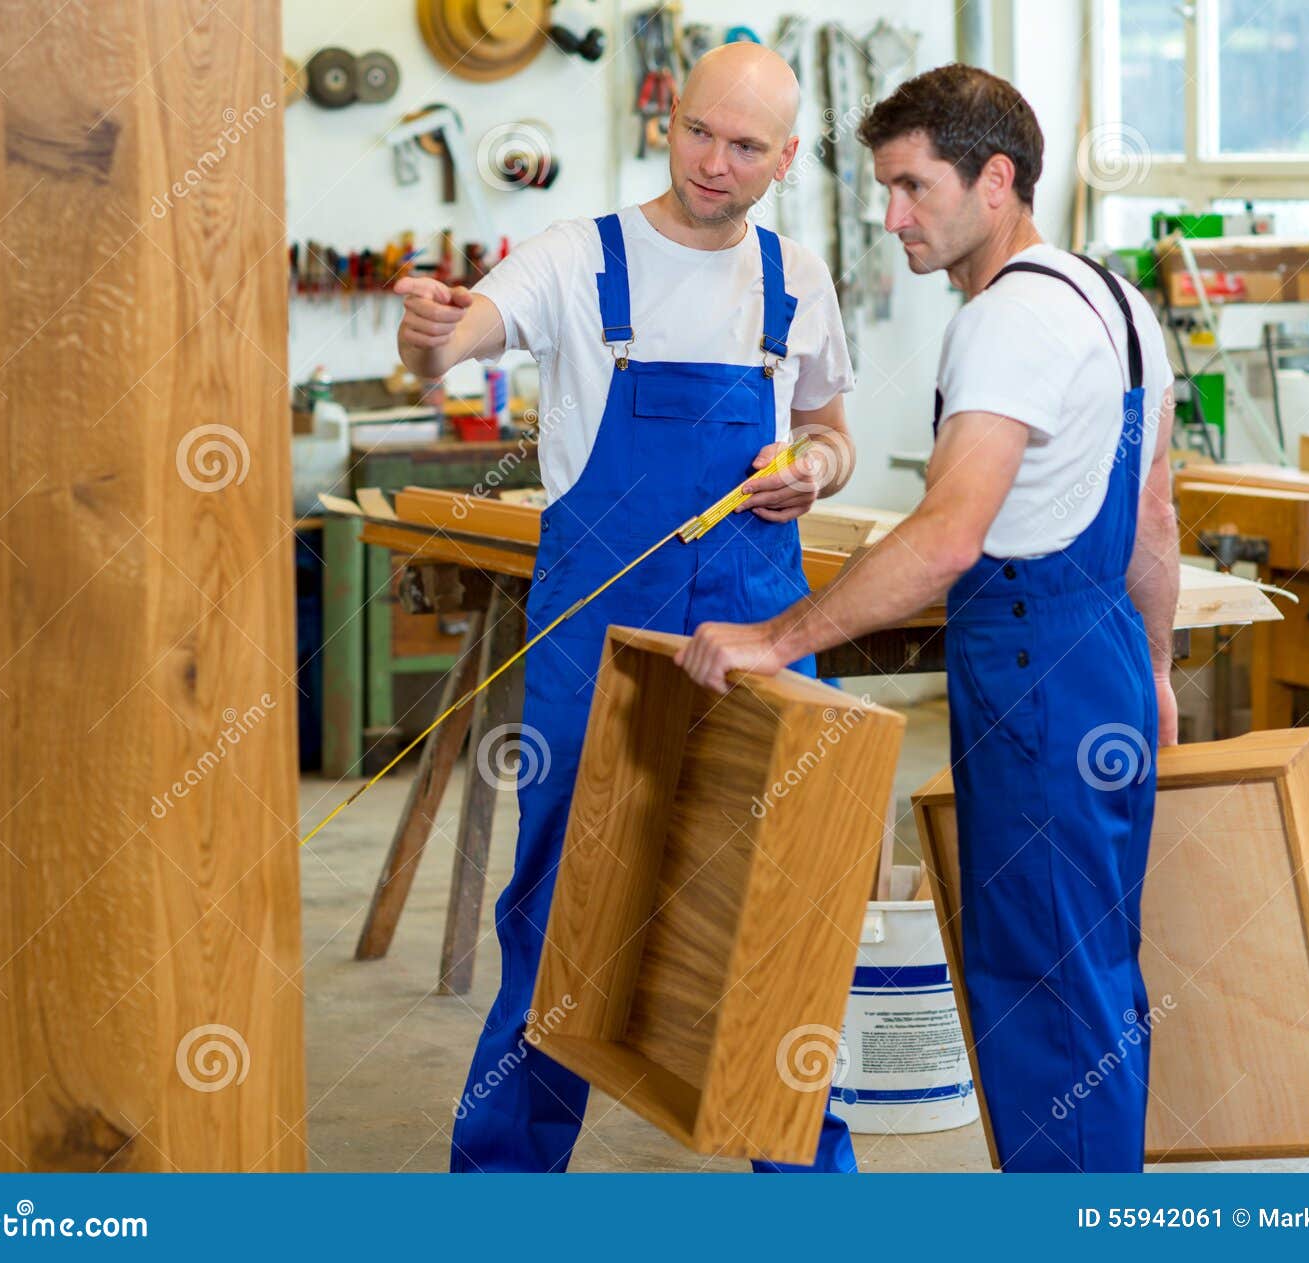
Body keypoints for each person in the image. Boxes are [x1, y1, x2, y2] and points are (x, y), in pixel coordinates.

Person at [676, 63, 1181, 1173]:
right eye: (883, 189)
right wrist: (1150, 664)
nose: (891, 217)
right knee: (1090, 973)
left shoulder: (1004, 323)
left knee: (1038, 983)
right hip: (1096, 657)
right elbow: (1150, 513)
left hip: (1036, 664)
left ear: (993, 179)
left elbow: (949, 535)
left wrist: (776, 638)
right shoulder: (1115, 300)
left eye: (912, 188)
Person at [393, 41, 858, 1173]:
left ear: (786, 157)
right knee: (565, 904)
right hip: (595, 639)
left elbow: (833, 432)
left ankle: (801, 1177)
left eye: (745, 146)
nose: (713, 162)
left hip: (758, 624)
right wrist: (426, 337)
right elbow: (456, 340)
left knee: (785, 899)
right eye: (698, 132)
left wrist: (819, 471)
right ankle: (505, 1179)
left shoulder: (796, 277)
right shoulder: (571, 257)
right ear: (670, 122)